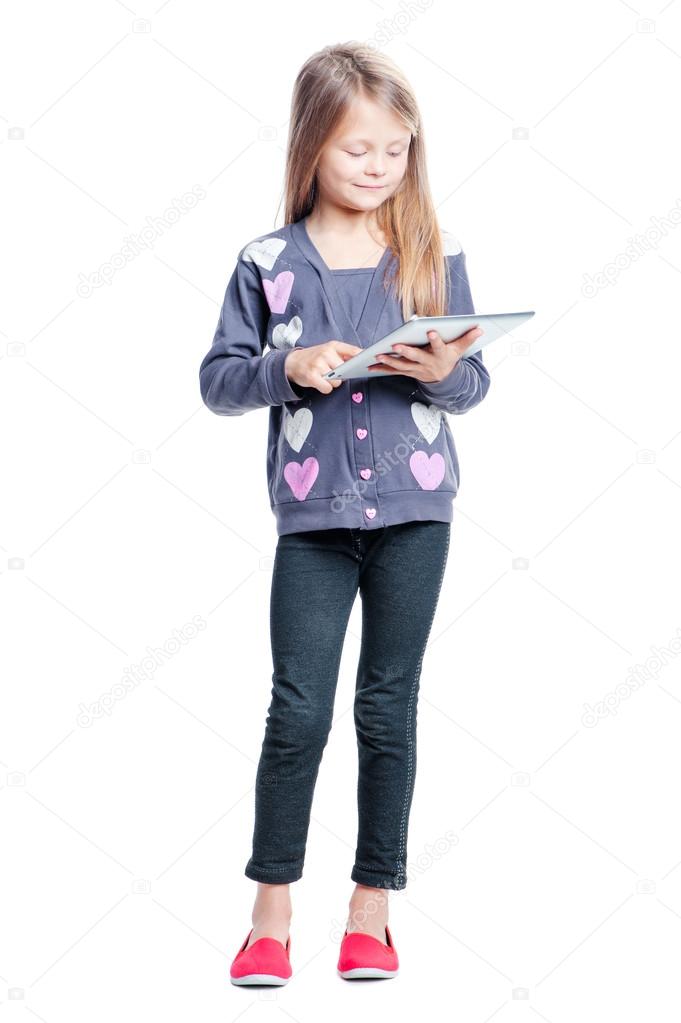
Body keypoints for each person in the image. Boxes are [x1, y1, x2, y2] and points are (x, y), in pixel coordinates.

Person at [199, 41, 491, 984]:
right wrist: (286, 367)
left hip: (417, 514)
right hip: (311, 520)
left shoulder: (429, 257)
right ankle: (269, 912)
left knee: (387, 708)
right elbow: (218, 380)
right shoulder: (267, 262)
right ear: (311, 145)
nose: (378, 168)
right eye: (357, 150)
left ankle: (372, 907)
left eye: (396, 151)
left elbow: (472, 379)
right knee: (297, 709)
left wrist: (447, 374)